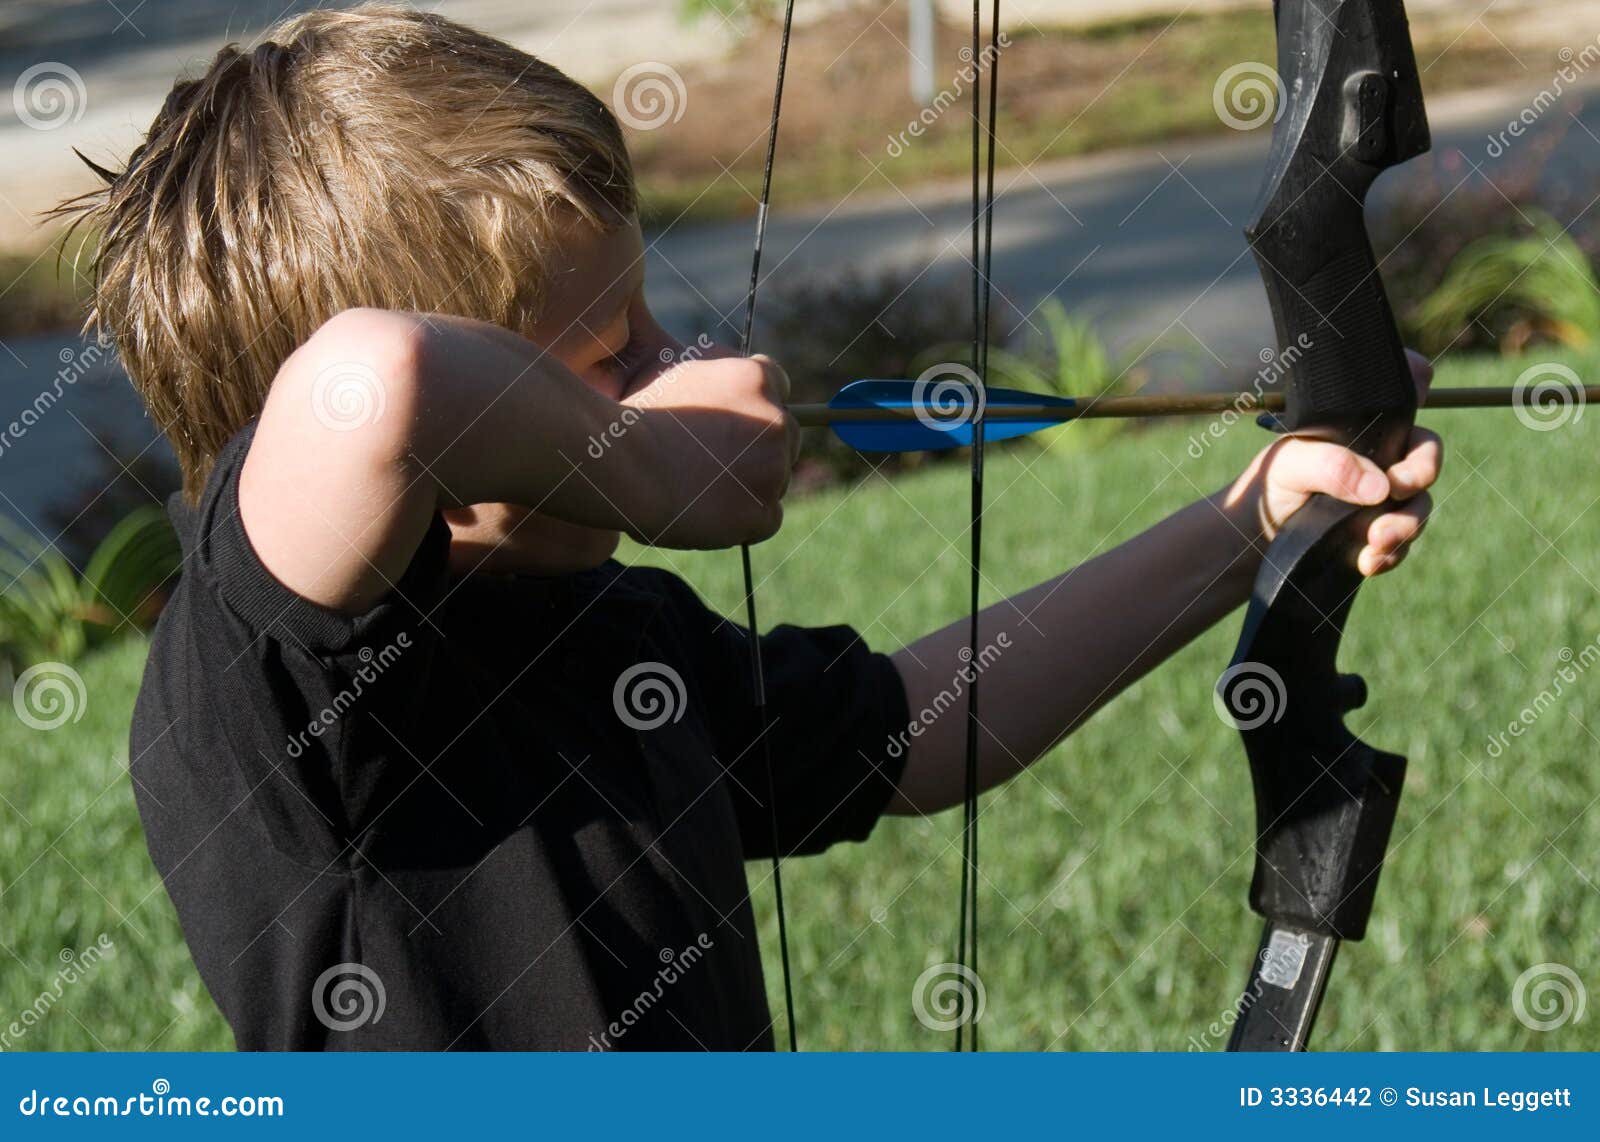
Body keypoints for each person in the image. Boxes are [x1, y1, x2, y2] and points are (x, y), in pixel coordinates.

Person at [62, 4, 1440, 1049]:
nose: (680, 358)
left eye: (650, 315)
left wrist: (1252, 520)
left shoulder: (618, 640)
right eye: (608, 351)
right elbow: (371, 384)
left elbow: (918, 727)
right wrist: (650, 463)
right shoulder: (280, 691)